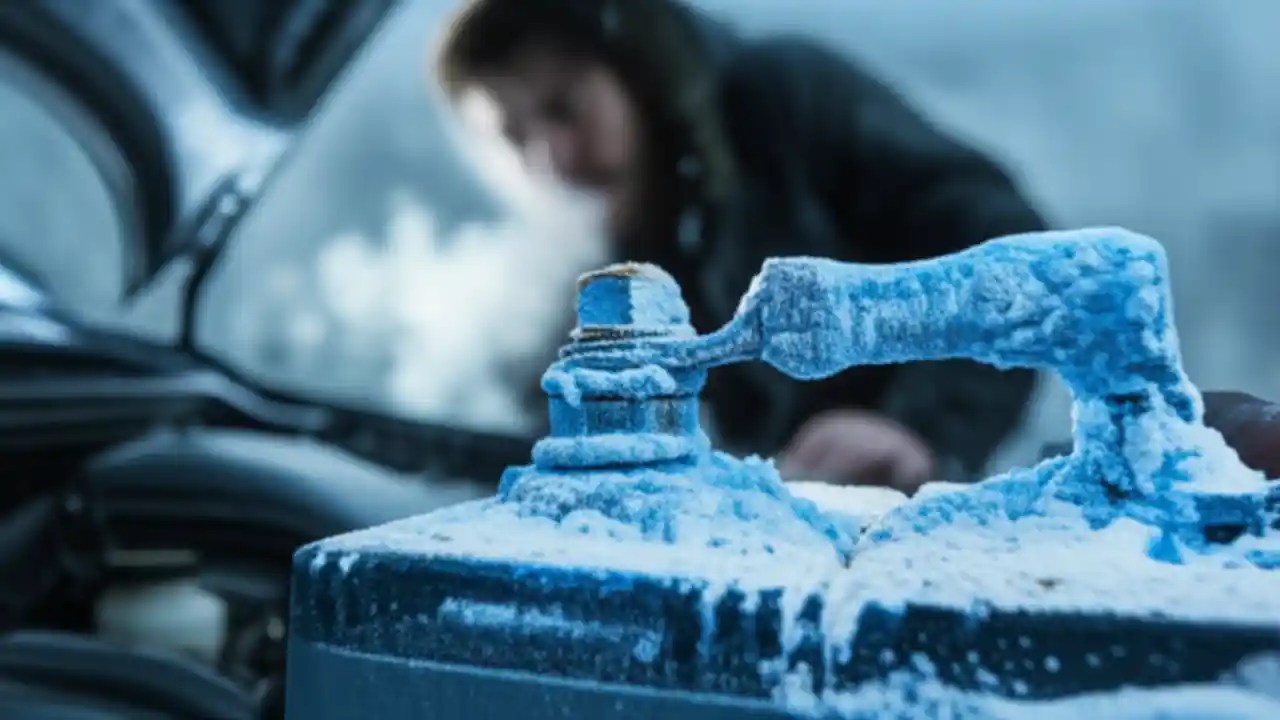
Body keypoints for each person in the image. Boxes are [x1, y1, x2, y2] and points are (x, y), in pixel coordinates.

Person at [434, 0, 1045, 493]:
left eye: (566, 109)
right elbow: (544, 408)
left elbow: (1006, 247)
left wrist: (916, 427)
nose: (552, 159)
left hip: (906, 530)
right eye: (515, 137)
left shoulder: (783, 98)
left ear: (635, 69)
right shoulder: (615, 252)